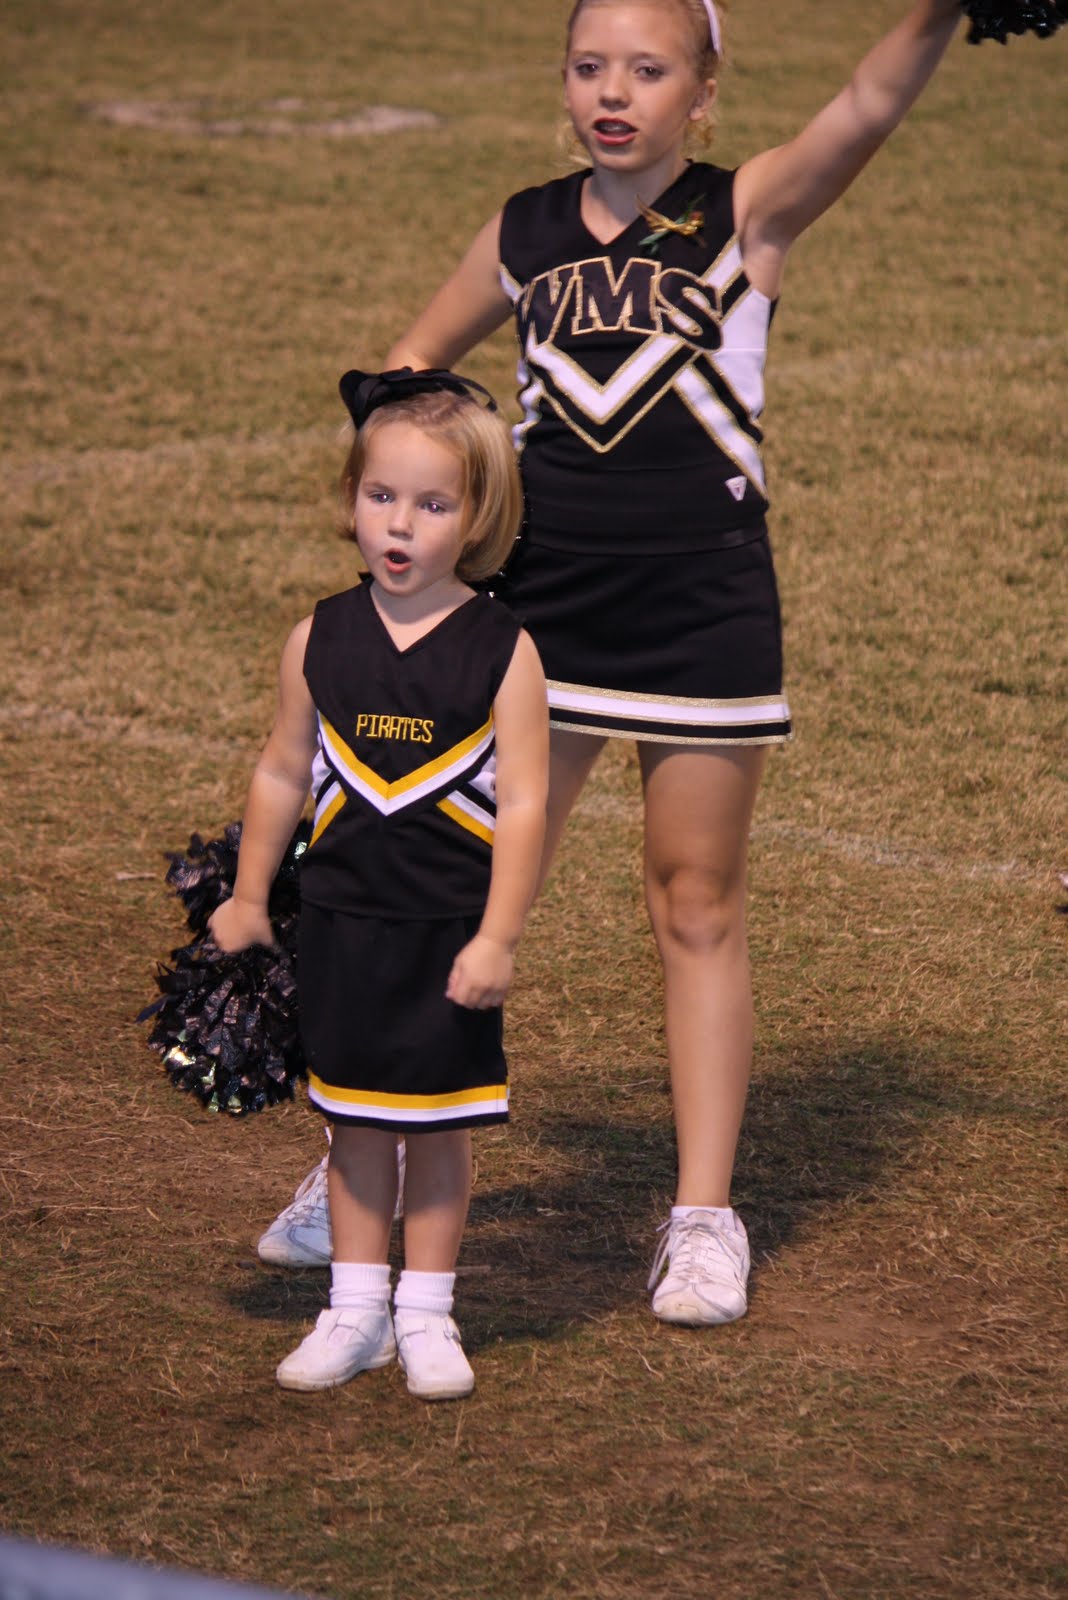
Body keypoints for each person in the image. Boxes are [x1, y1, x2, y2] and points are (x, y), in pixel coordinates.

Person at [259, 0, 966, 1325]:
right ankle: (375, 1150)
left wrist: (938, 10)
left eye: (648, 70)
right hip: (540, 617)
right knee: (450, 876)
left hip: (702, 608)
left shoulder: (745, 211)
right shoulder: (525, 230)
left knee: (694, 895)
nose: (614, 92)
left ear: (705, 91)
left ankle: (703, 1218)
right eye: (590, 67)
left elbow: (867, 107)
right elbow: (410, 370)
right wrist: (424, 481)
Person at [213, 369, 548, 1398]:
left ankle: (428, 1313)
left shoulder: (506, 653)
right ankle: (355, 1310)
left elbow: (525, 806)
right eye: (381, 495)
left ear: (479, 518)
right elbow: (283, 771)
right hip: (342, 926)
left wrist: (497, 937)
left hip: (447, 936)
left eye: (433, 504)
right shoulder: (318, 638)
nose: (400, 523)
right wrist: (249, 896)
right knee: (355, 1125)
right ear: (351, 497)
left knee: (439, 1130)